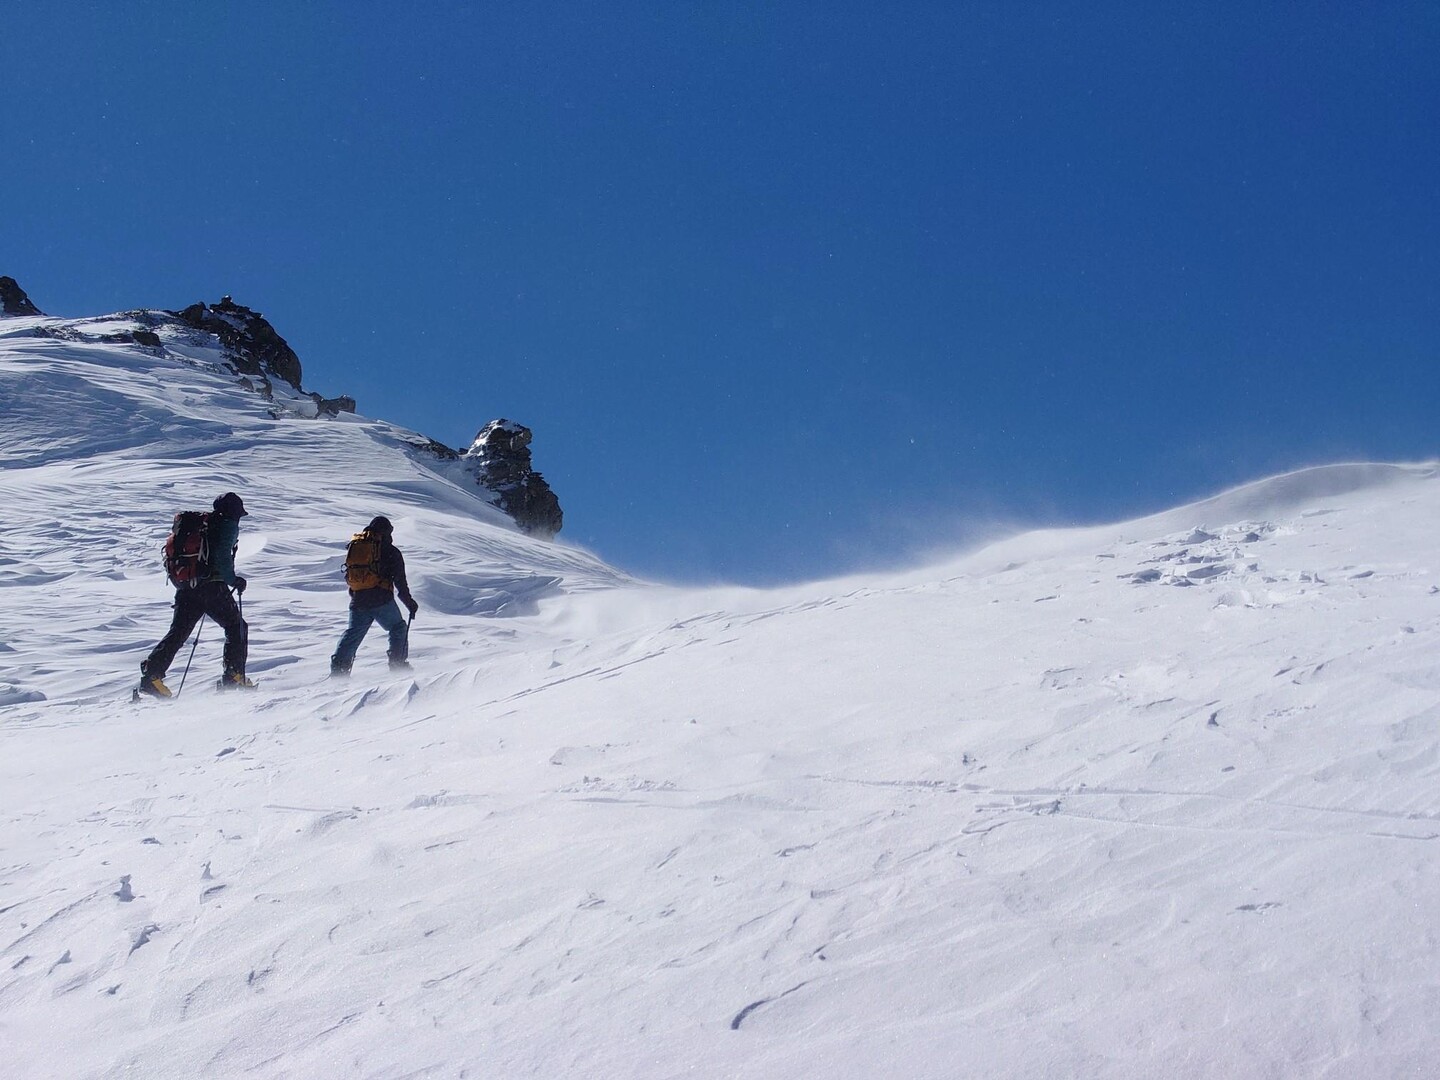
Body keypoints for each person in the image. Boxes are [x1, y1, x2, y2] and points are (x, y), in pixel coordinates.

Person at [138, 491, 253, 697]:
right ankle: (234, 675)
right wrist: (234, 580)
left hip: (186, 587)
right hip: (211, 588)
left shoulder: (204, 524)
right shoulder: (226, 525)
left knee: (179, 633)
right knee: (237, 627)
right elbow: (221, 559)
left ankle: (152, 675)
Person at [331, 515, 419, 675]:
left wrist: (358, 595)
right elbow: (400, 582)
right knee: (398, 627)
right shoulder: (391, 552)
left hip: (358, 601)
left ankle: (339, 668)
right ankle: (398, 665)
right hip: (381, 599)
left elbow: (350, 576)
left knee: (353, 634)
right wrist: (410, 603)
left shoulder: (357, 546)